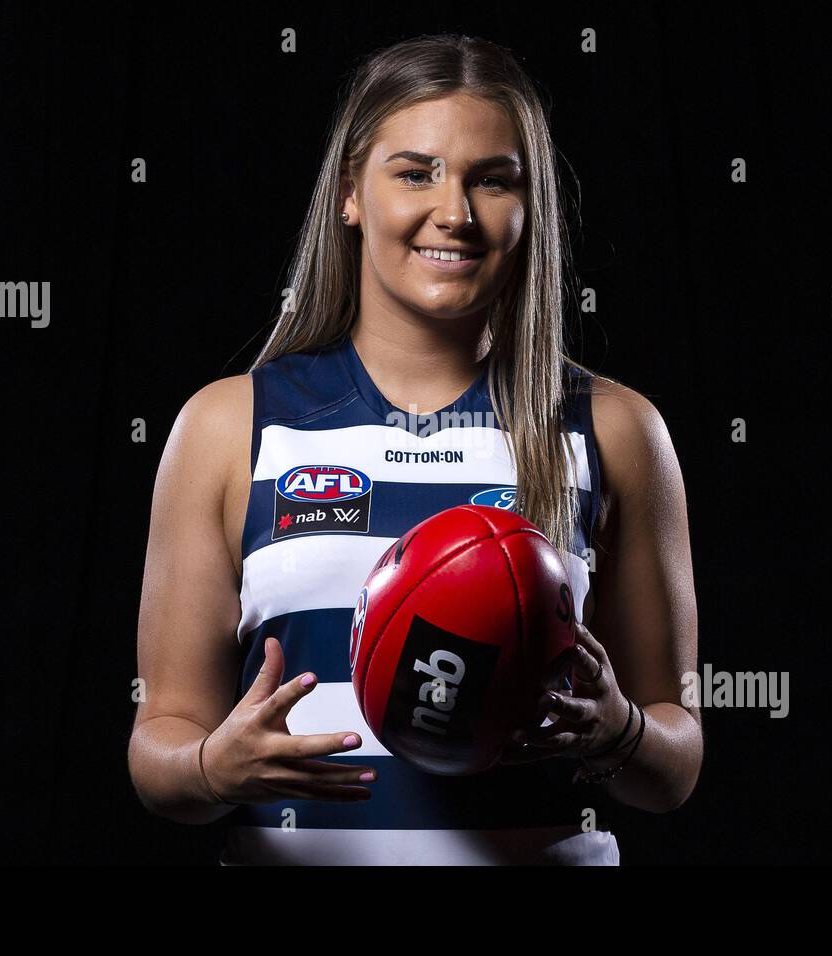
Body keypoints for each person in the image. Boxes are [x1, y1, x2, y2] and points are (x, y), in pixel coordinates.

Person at [128, 33, 701, 865]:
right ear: (351, 194)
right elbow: (159, 746)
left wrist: (619, 730)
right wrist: (216, 767)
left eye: (492, 179)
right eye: (416, 172)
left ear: (528, 205)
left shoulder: (613, 429)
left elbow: (676, 758)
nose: (456, 212)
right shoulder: (230, 427)